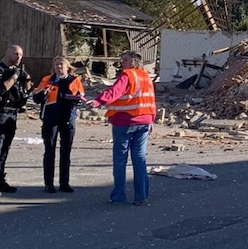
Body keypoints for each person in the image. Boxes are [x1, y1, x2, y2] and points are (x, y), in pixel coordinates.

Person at [85, 50, 156, 205]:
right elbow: (151, 100)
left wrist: (98, 101)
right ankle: (141, 197)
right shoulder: (146, 77)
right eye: (122, 59)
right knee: (139, 159)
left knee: (120, 160)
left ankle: (118, 196)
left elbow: (114, 92)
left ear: (133, 62)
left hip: (125, 122)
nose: (122, 62)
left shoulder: (127, 75)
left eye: (125, 60)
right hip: (144, 121)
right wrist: (152, 120)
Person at [0, 45, 32, 196]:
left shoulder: (18, 71)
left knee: (5, 148)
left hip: (13, 112)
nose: (18, 57)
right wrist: (14, 76)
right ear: (7, 53)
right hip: (1, 111)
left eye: (21, 55)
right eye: (15, 54)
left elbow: (27, 90)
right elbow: (0, 90)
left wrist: (26, 80)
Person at [32, 56, 85, 193]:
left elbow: (81, 97)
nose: (58, 67)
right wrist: (43, 93)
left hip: (68, 118)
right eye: (56, 65)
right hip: (50, 119)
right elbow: (36, 98)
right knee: (49, 151)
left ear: (67, 67)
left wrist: (75, 98)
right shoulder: (47, 80)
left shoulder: (75, 80)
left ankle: (64, 183)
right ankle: (48, 184)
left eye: (61, 64)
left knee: (66, 152)